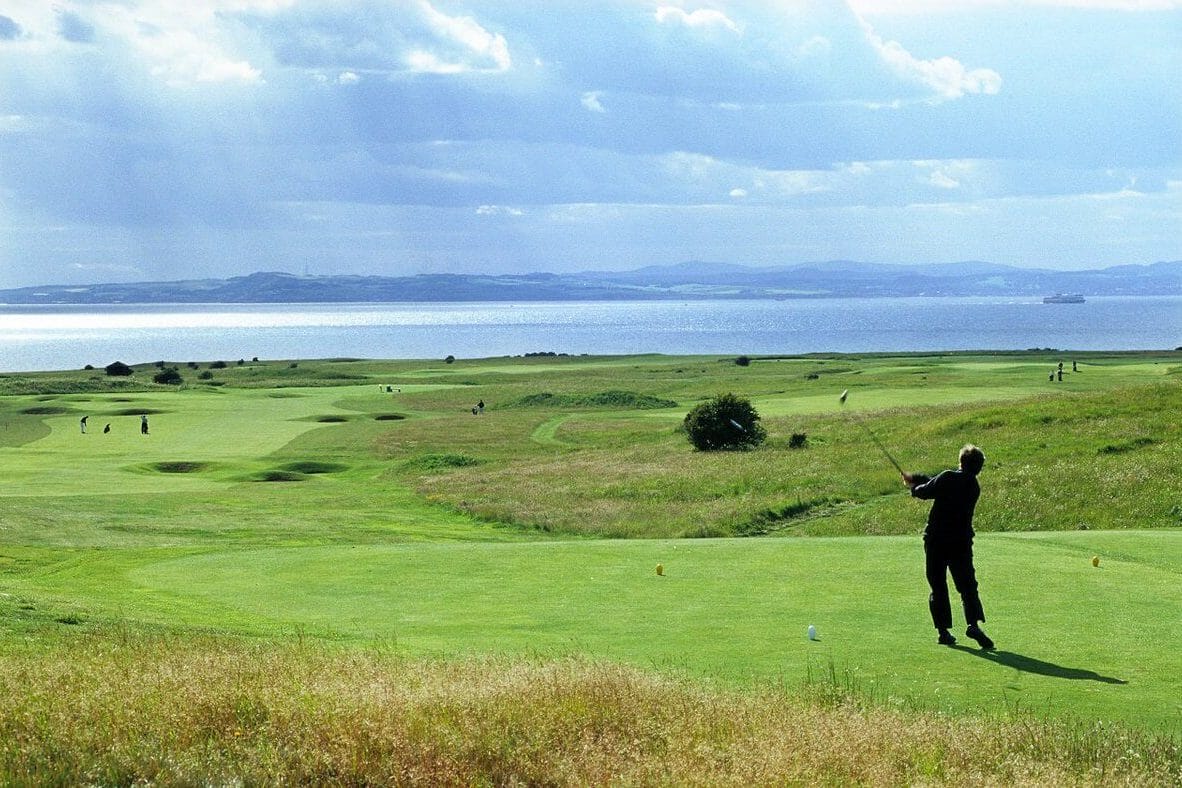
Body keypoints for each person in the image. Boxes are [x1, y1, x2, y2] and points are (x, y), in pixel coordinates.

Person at [903, 444, 994, 649]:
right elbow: (937, 485)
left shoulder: (947, 478)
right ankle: (973, 624)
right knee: (967, 586)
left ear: (961, 462)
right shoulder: (973, 486)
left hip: (936, 540)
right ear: (978, 468)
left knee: (938, 585)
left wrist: (913, 486)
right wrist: (919, 479)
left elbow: (926, 491)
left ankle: (944, 632)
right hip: (960, 543)